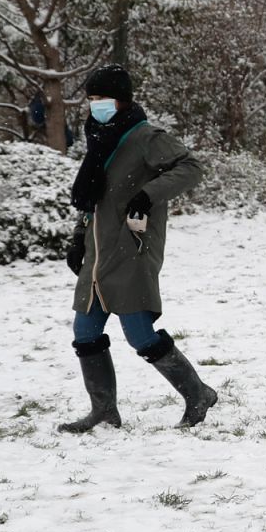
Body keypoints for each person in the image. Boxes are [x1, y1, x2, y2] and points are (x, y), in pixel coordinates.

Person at [59, 64, 215, 433]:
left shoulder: (145, 136)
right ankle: (104, 411)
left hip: (132, 249)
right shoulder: (98, 138)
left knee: (140, 335)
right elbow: (92, 201)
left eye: (103, 98)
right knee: (85, 332)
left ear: (122, 99)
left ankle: (198, 394)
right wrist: (78, 237)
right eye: (91, 99)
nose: (95, 105)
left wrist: (147, 194)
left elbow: (191, 167)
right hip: (97, 256)